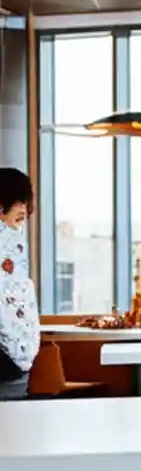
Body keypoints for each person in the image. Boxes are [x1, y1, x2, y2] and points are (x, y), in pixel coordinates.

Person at [0, 169, 39, 401]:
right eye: (18, 217)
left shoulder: (13, 249)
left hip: (15, 364)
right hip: (10, 365)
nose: (23, 208)